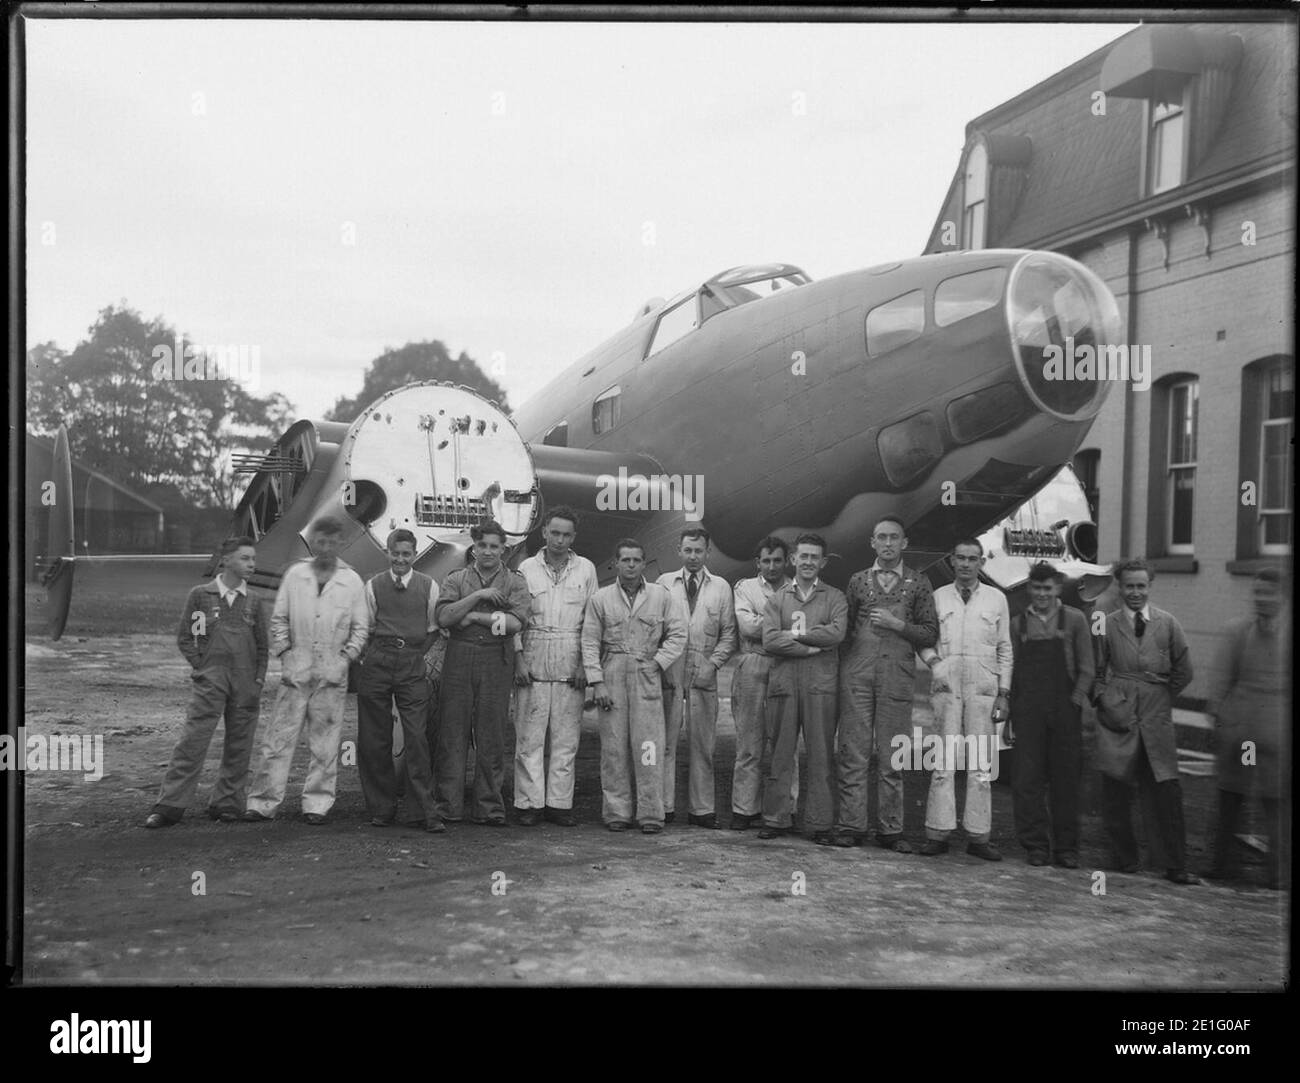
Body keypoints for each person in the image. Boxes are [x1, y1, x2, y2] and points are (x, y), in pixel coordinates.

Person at [244, 518, 369, 824]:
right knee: (278, 740)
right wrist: (286, 654)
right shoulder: (295, 574)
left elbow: (361, 629)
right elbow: (278, 620)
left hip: (331, 674)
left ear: (341, 543)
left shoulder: (351, 581)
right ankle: (262, 801)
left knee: (325, 743)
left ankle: (317, 803)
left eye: (332, 542)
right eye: (320, 542)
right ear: (312, 542)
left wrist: (344, 660)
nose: (326, 548)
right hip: (295, 671)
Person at [831, 515, 938, 851]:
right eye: (881, 537)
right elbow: (845, 632)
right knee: (854, 751)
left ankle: (891, 830)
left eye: (894, 537)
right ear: (872, 543)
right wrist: (849, 668)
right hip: (858, 675)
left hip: (897, 676)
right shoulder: (858, 581)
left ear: (904, 543)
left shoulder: (919, 583)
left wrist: (897, 624)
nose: (888, 543)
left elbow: (930, 632)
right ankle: (851, 825)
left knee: (893, 753)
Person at [146, 537, 268, 828]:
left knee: (240, 743)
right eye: (244, 558)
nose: (251, 564)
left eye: (253, 559)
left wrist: (258, 679)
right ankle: (170, 805)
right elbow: (188, 638)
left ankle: (227, 803)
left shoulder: (253, 601)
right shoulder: (202, 596)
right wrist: (202, 667)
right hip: (211, 680)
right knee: (193, 740)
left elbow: (262, 647)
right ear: (226, 560)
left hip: (245, 681)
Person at [1093, 557, 1196, 884]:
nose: (1135, 592)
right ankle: (1126, 859)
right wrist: (1106, 699)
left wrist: (1161, 696)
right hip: (1119, 714)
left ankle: (1175, 865)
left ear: (1150, 586)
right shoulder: (1105, 623)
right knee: (1116, 788)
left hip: (1155, 714)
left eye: (1141, 586)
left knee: (1166, 789)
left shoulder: (1168, 623)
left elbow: (1184, 670)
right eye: (1129, 586)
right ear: (1119, 588)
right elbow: (1095, 671)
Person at [583, 539, 687, 833]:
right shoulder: (600, 599)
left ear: (644, 563)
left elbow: (678, 634)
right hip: (613, 671)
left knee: (649, 747)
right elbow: (589, 642)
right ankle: (617, 812)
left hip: (647, 671)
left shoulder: (661, 596)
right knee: (614, 747)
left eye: (636, 560)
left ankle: (651, 814)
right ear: (615, 563)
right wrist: (597, 682)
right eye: (625, 560)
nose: (630, 565)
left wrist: (658, 663)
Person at [918, 538, 1012, 861]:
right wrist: (935, 664)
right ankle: (937, 833)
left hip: (983, 689)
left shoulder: (996, 599)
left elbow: (1005, 648)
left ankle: (979, 836)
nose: (966, 564)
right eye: (960, 558)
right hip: (947, 686)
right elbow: (924, 639)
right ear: (952, 560)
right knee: (943, 761)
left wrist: (1004, 693)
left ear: (982, 562)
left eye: (973, 559)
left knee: (981, 764)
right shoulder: (938, 597)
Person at [433, 519, 530, 826]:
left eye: (494, 547)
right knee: (453, 731)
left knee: (492, 732)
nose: (487, 552)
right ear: (473, 547)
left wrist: (473, 615)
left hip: (496, 659)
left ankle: (489, 806)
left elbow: (515, 624)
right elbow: (446, 617)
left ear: (505, 549)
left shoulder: (515, 581)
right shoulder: (457, 578)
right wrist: (478, 597)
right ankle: (449, 804)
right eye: (482, 546)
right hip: (459, 658)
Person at [758, 534, 848, 843]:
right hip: (784, 684)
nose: (808, 562)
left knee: (821, 754)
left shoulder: (834, 597)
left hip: (820, 685)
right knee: (781, 753)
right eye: (803, 556)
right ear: (793, 559)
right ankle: (776, 818)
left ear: (822, 562)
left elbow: (836, 634)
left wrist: (794, 636)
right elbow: (769, 640)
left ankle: (820, 824)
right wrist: (808, 648)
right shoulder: (778, 598)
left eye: (815, 557)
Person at [512, 506, 599, 826]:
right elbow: (517, 618)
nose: (560, 540)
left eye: (567, 535)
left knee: (566, 739)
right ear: (544, 532)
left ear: (574, 537)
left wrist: (585, 666)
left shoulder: (586, 569)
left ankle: (559, 804)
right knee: (529, 737)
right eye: (554, 533)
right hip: (534, 652)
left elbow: (592, 620)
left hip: (570, 654)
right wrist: (518, 658)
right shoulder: (526, 568)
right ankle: (528, 804)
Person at [1205, 569, 1290, 889]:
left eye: (1268, 593)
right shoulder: (1237, 632)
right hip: (1241, 734)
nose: (1261, 599)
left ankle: (1278, 875)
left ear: (1282, 596)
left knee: (1277, 804)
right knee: (1230, 798)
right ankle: (1223, 865)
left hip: (1278, 734)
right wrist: (1217, 714)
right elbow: (1221, 678)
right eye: (1257, 593)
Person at [1007, 561, 1094, 868]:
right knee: (1027, 781)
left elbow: (1087, 669)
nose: (1041, 594)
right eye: (1036, 588)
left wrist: (1075, 702)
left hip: (1065, 711)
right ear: (1029, 588)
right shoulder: (1018, 624)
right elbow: (1014, 669)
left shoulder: (1074, 620)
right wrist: (1015, 710)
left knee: (1065, 781)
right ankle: (1036, 846)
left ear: (1058, 588)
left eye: (1047, 588)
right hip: (1029, 711)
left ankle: (1066, 849)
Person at [358, 528, 443, 833]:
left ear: (415, 555)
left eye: (406, 554)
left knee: (417, 736)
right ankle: (381, 807)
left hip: (411, 662)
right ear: (388, 553)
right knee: (374, 737)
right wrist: (375, 655)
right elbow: (365, 627)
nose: (400, 559)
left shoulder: (428, 585)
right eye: (395, 553)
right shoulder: (373, 586)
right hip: (378, 661)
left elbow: (434, 627)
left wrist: (414, 654)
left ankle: (421, 809)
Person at [658, 528, 737, 827]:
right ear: (679, 550)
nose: (693, 556)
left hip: (704, 668)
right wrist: (662, 664)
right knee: (664, 741)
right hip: (671, 668)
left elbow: (729, 634)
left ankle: (701, 810)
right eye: (688, 550)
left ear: (707, 553)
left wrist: (714, 663)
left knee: (703, 743)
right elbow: (656, 627)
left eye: (698, 551)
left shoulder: (720, 587)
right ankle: (662, 806)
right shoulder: (664, 583)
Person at [729, 535, 794, 830]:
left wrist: (766, 622)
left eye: (777, 560)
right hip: (753, 663)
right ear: (758, 563)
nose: (771, 566)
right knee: (749, 742)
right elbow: (747, 626)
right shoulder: (745, 587)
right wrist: (784, 626)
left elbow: (804, 626)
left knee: (785, 742)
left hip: (787, 666)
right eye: (766, 561)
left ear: (786, 561)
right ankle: (744, 809)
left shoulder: (798, 589)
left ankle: (782, 811)